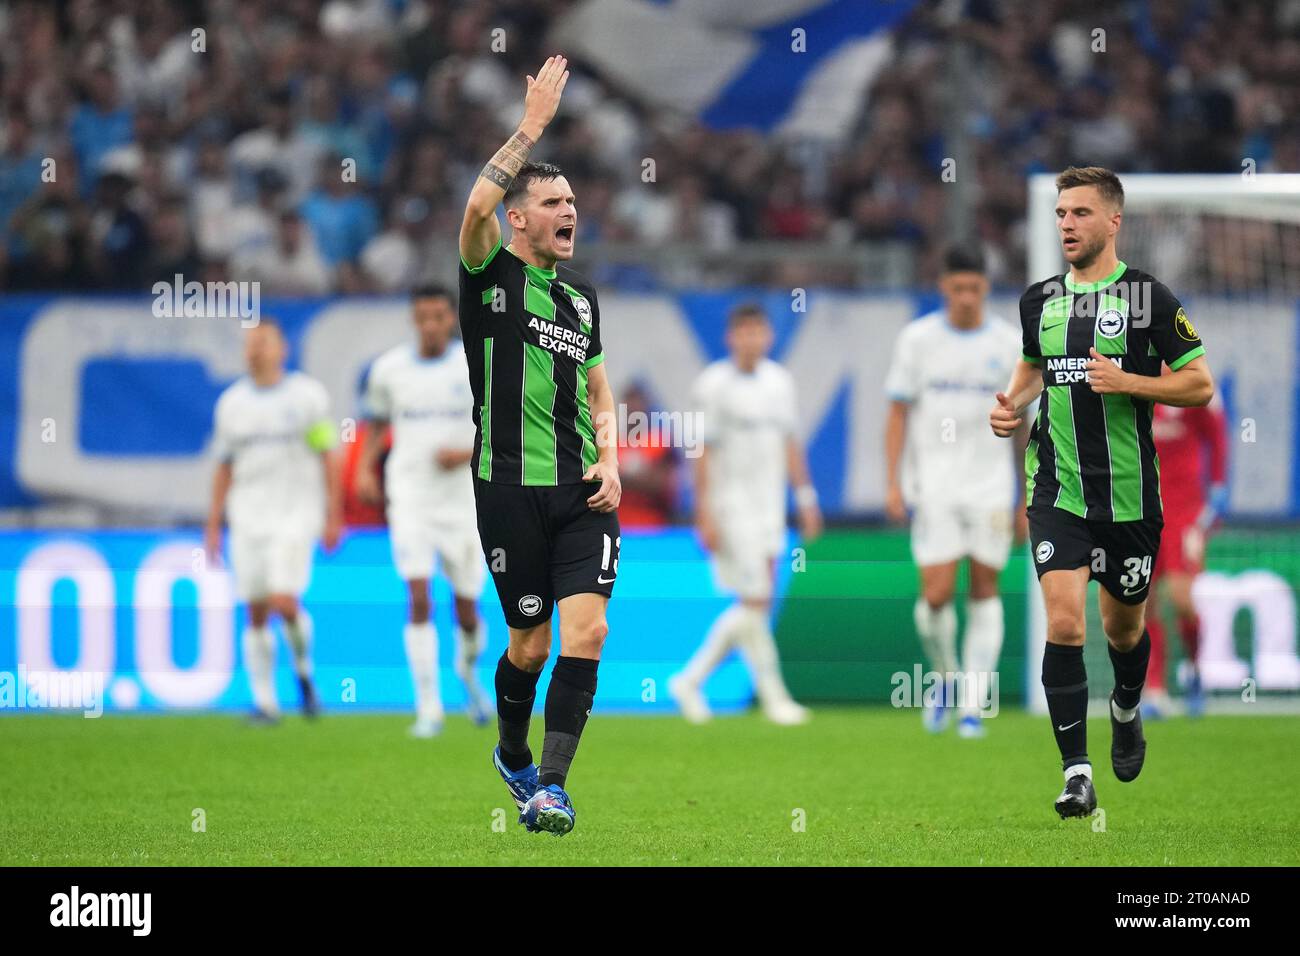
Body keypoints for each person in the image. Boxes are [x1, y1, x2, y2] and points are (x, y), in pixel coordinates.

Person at [990, 166, 1214, 818]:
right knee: (1064, 619)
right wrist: (1010, 405)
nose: (1066, 224)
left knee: (1123, 629)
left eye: (1081, 213)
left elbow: (1198, 384)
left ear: (1113, 221)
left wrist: (1132, 383)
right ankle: (1076, 773)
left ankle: (1126, 706)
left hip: (1129, 500)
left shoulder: (1148, 298)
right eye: (1061, 213)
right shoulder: (1039, 300)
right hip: (1056, 489)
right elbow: (1033, 366)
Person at [457, 56, 621, 836]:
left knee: (587, 631)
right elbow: (478, 200)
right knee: (529, 642)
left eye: (574, 202)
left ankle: (550, 787)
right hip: (504, 487)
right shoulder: (486, 269)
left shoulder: (582, 300)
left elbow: (597, 389)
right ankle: (513, 755)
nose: (569, 213)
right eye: (554, 202)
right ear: (520, 218)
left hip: (580, 491)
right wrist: (531, 128)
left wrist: (612, 460)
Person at [884, 246, 1025, 737]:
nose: (966, 297)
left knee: (986, 587)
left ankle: (972, 704)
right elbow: (897, 414)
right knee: (937, 594)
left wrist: (1027, 496)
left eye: (975, 288)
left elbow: (1026, 422)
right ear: (943, 287)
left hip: (991, 487)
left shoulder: (1010, 342)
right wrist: (894, 484)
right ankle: (944, 678)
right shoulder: (917, 340)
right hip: (935, 487)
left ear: (986, 288)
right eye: (957, 288)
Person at [669, 303, 822, 726]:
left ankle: (689, 680)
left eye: (759, 332)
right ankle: (775, 699)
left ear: (768, 337)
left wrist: (805, 498)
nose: (751, 339)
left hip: (770, 507)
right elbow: (701, 450)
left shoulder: (780, 382)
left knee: (756, 603)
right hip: (730, 506)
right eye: (744, 332)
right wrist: (703, 512)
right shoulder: (713, 385)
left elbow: (791, 443)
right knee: (755, 600)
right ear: (730, 337)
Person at [357, 285, 492, 737]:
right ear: (414, 321)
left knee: (467, 609)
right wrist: (364, 469)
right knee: (418, 596)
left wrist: (467, 452)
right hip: (410, 496)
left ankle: (469, 673)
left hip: (462, 501)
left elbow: (500, 426)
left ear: (451, 318)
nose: (431, 325)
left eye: (438, 316)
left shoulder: (474, 363)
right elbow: (376, 425)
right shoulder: (388, 370)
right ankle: (429, 707)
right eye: (423, 317)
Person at [206, 320, 343, 722]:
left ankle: (303, 671)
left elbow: (327, 454)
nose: (255, 350)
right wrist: (213, 524)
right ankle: (265, 702)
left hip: (296, 514)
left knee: (284, 601)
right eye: (250, 344)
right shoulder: (231, 404)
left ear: (282, 349)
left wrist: (334, 514)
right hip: (247, 516)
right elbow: (224, 466)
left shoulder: (306, 397)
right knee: (255, 609)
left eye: (263, 342)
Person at [1145, 392, 1228, 717]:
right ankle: (1154, 689)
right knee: (1144, 600)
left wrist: (1218, 489)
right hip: (1144, 508)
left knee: (1181, 598)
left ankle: (1194, 669)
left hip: (1185, 512)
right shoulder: (1135, 379)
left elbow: (1218, 438)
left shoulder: (1195, 383)